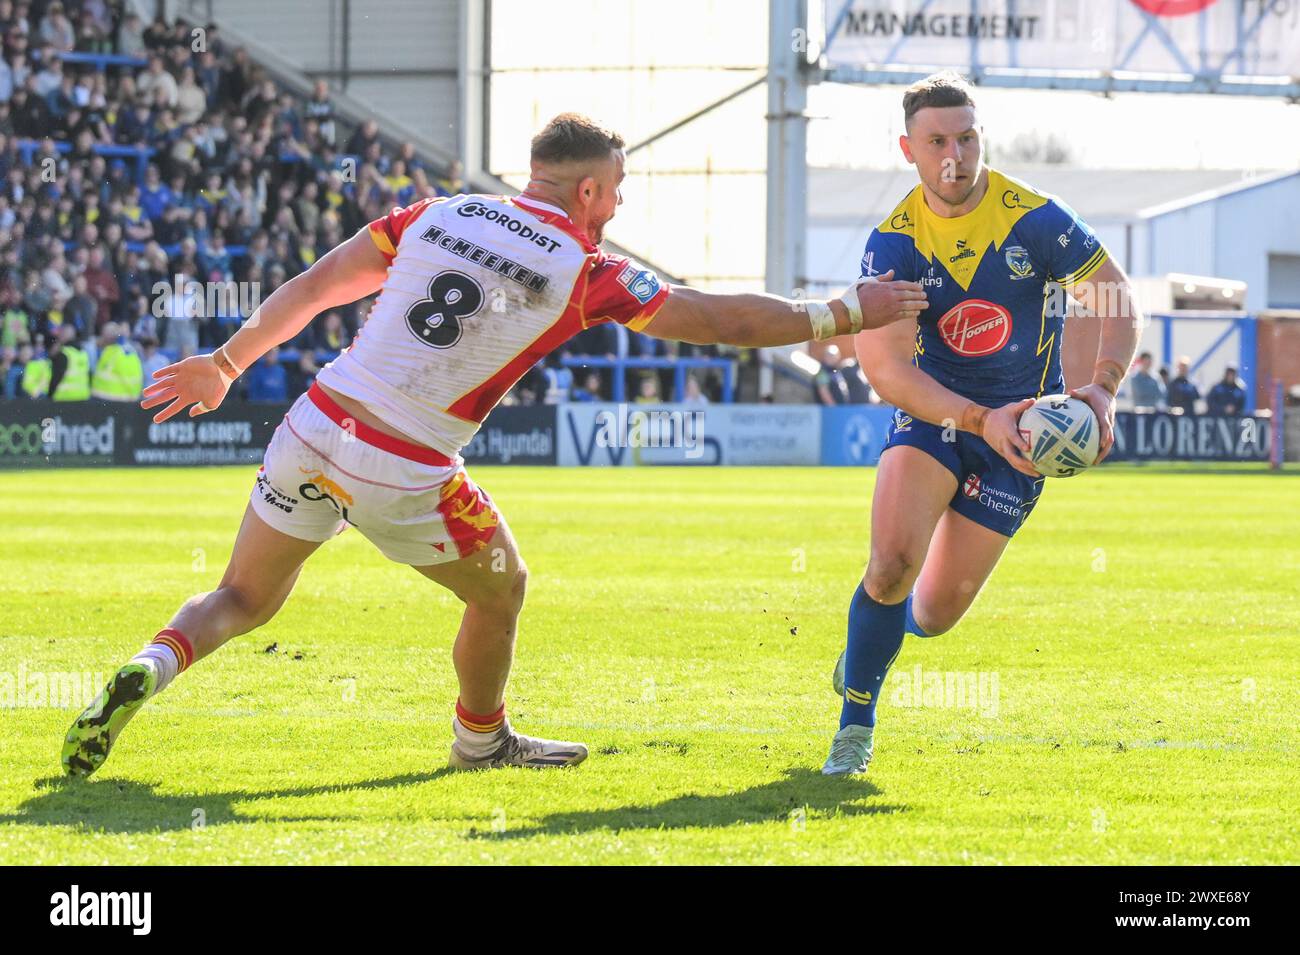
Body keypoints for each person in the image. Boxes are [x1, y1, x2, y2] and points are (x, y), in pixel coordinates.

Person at [62, 112, 930, 778]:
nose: (619, 204)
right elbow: (715, 318)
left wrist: (224, 360)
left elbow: (318, 286)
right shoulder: (586, 269)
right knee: (505, 587)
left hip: (317, 420)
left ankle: (150, 662)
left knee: (243, 597)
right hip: (404, 460)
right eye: (617, 189)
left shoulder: (438, 213)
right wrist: (844, 312)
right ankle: (482, 740)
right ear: (588, 192)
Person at [822, 73, 1142, 775]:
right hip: (937, 417)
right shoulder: (895, 243)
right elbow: (887, 370)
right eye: (937, 141)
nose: (955, 155)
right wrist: (974, 415)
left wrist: (1102, 392)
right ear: (909, 148)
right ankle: (854, 725)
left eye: (967, 137)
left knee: (932, 613)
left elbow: (1114, 300)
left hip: (1023, 441)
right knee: (891, 566)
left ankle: (868, 641)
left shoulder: (1037, 219)